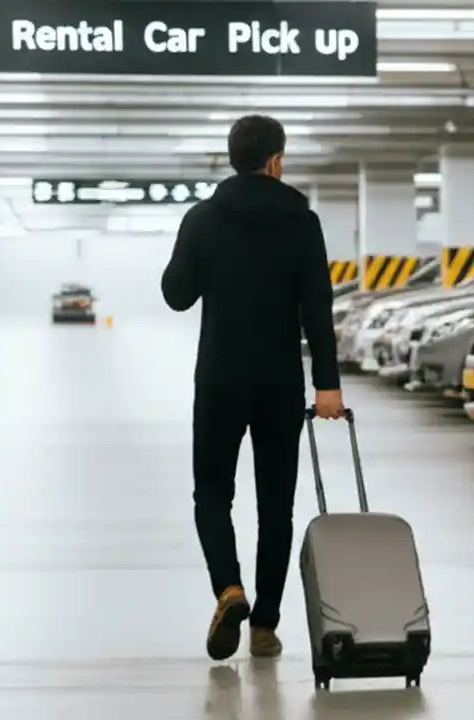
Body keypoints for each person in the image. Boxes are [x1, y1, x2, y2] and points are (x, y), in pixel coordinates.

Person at [161, 114, 345, 662]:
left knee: (212, 493)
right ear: (276, 160)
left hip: (219, 376)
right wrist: (327, 386)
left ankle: (229, 588)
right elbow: (318, 309)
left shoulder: (203, 218)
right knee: (276, 507)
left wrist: (191, 251)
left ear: (233, 157)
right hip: (280, 382)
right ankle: (265, 624)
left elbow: (176, 294)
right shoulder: (302, 222)